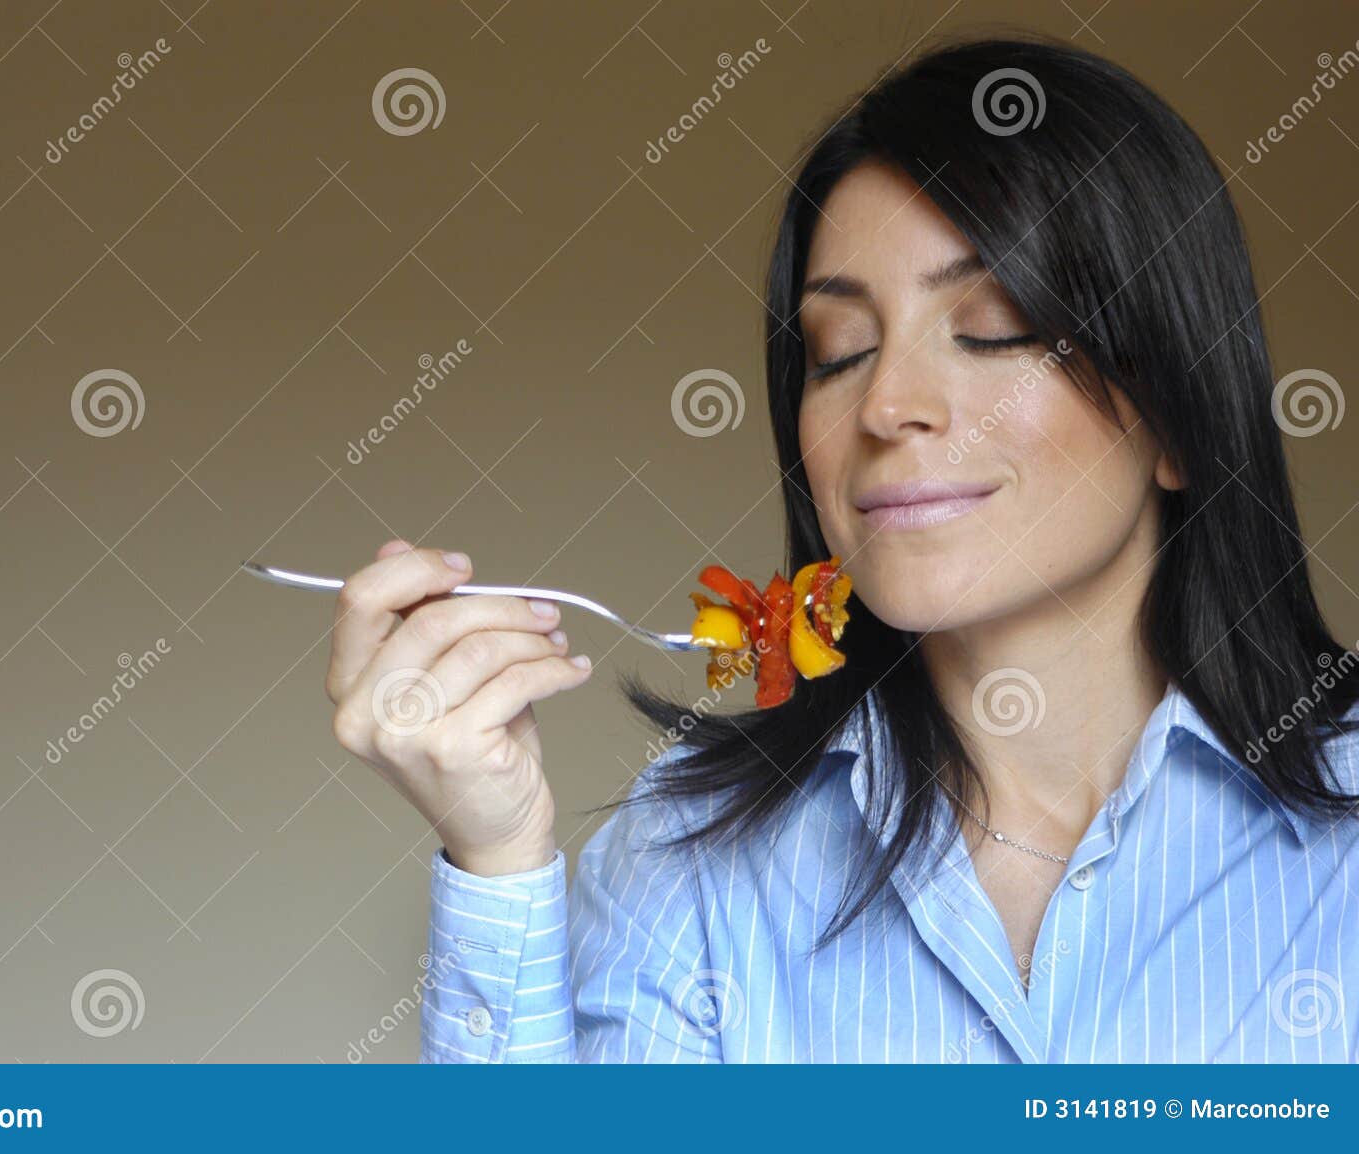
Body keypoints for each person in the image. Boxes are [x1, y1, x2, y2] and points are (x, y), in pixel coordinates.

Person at [324, 36, 1359, 1062]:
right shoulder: (693, 858)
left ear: (1174, 412)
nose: (887, 404)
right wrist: (497, 855)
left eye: (991, 328)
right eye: (839, 353)